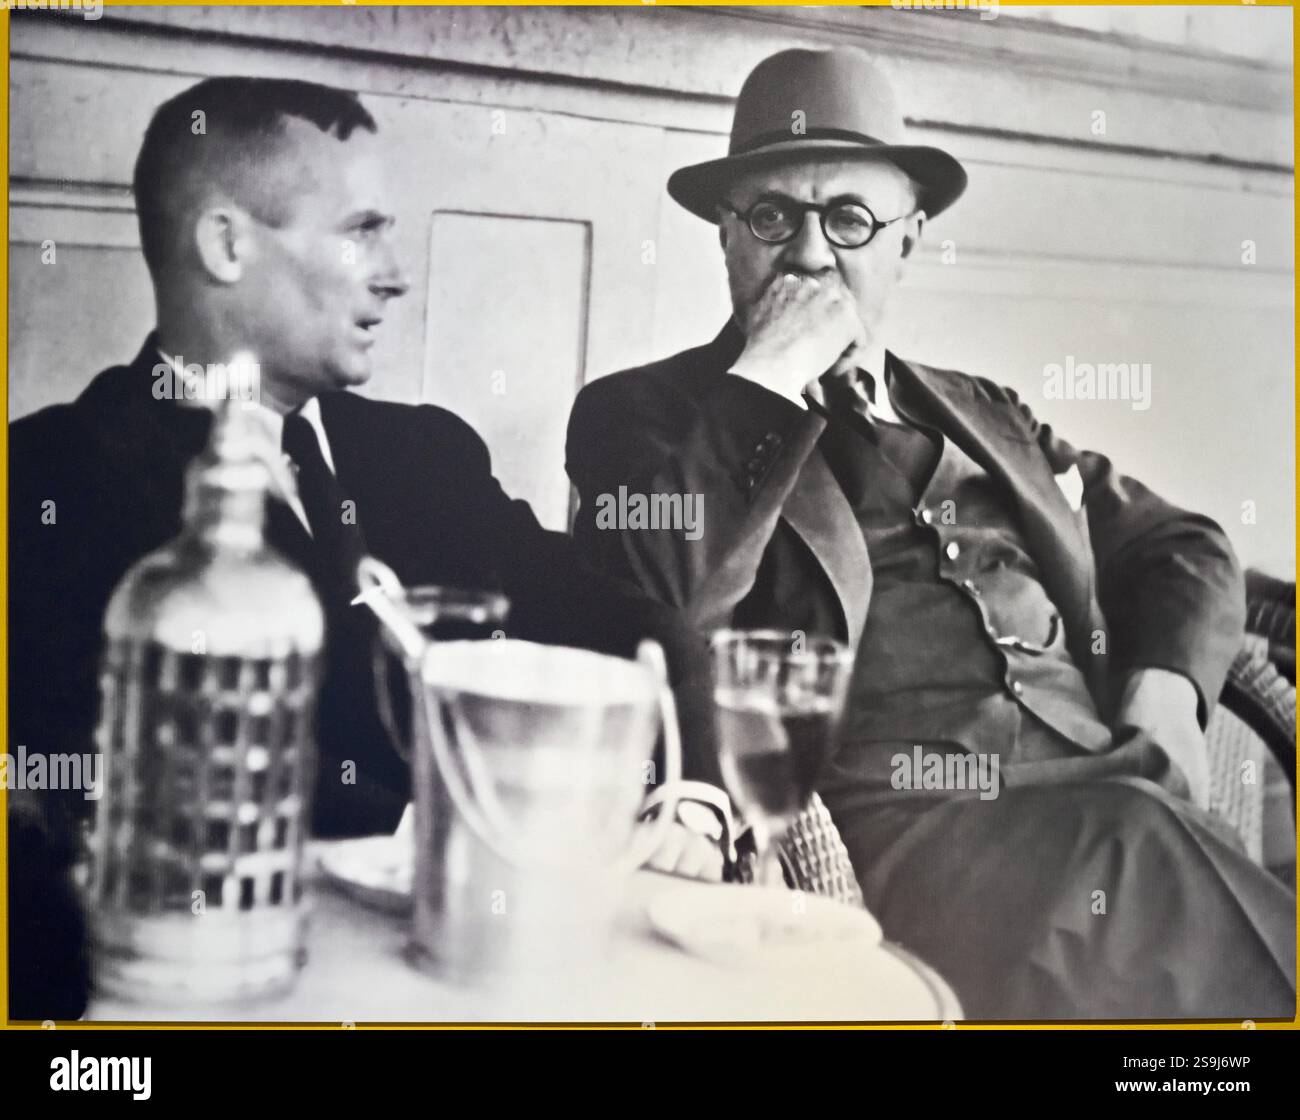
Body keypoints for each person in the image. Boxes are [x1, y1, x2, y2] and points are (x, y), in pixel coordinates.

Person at [565, 47, 1295, 1019]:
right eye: (772, 217)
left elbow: (1183, 544)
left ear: (906, 244)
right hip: (909, 832)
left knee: (1146, 864)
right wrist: (773, 368)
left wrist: (1165, 693)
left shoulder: (986, 411)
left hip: (1112, 787)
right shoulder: (644, 415)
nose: (811, 254)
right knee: (1142, 851)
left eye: (850, 220)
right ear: (726, 242)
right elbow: (659, 585)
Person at [8, 76, 713, 1021]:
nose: (396, 272)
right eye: (360, 230)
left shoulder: (430, 453)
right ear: (225, 245)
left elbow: (646, 633)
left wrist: (699, 806)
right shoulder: (45, 484)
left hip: (495, 966)